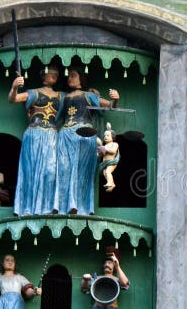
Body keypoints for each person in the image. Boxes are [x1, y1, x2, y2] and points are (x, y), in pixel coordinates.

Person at [55, 67, 119, 214]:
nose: (69, 78)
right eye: (68, 76)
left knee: (83, 171)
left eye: (73, 75)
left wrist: (115, 99)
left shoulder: (89, 95)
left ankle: (83, 206)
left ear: (81, 79)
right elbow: (56, 117)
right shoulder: (64, 97)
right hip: (65, 135)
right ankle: (65, 205)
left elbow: (109, 105)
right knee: (64, 169)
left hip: (84, 134)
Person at [8, 66, 64, 216]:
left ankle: (46, 206)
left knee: (50, 171)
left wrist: (91, 92)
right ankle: (28, 208)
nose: (54, 74)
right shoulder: (33, 93)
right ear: (43, 76)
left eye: (56, 73)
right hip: (34, 134)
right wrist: (14, 87)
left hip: (52, 135)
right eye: (50, 72)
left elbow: (77, 103)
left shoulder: (62, 96)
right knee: (30, 170)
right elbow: (13, 99)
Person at [97, 123, 120, 192]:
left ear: (112, 137)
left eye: (108, 135)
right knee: (105, 172)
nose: (105, 137)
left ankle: (110, 183)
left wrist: (105, 148)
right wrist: (98, 153)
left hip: (112, 162)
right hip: (105, 163)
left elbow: (113, 151)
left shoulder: (114, 144)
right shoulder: (105, 145)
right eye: (104, 136)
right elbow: (101, 154)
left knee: (108, 171)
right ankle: (112, 184)